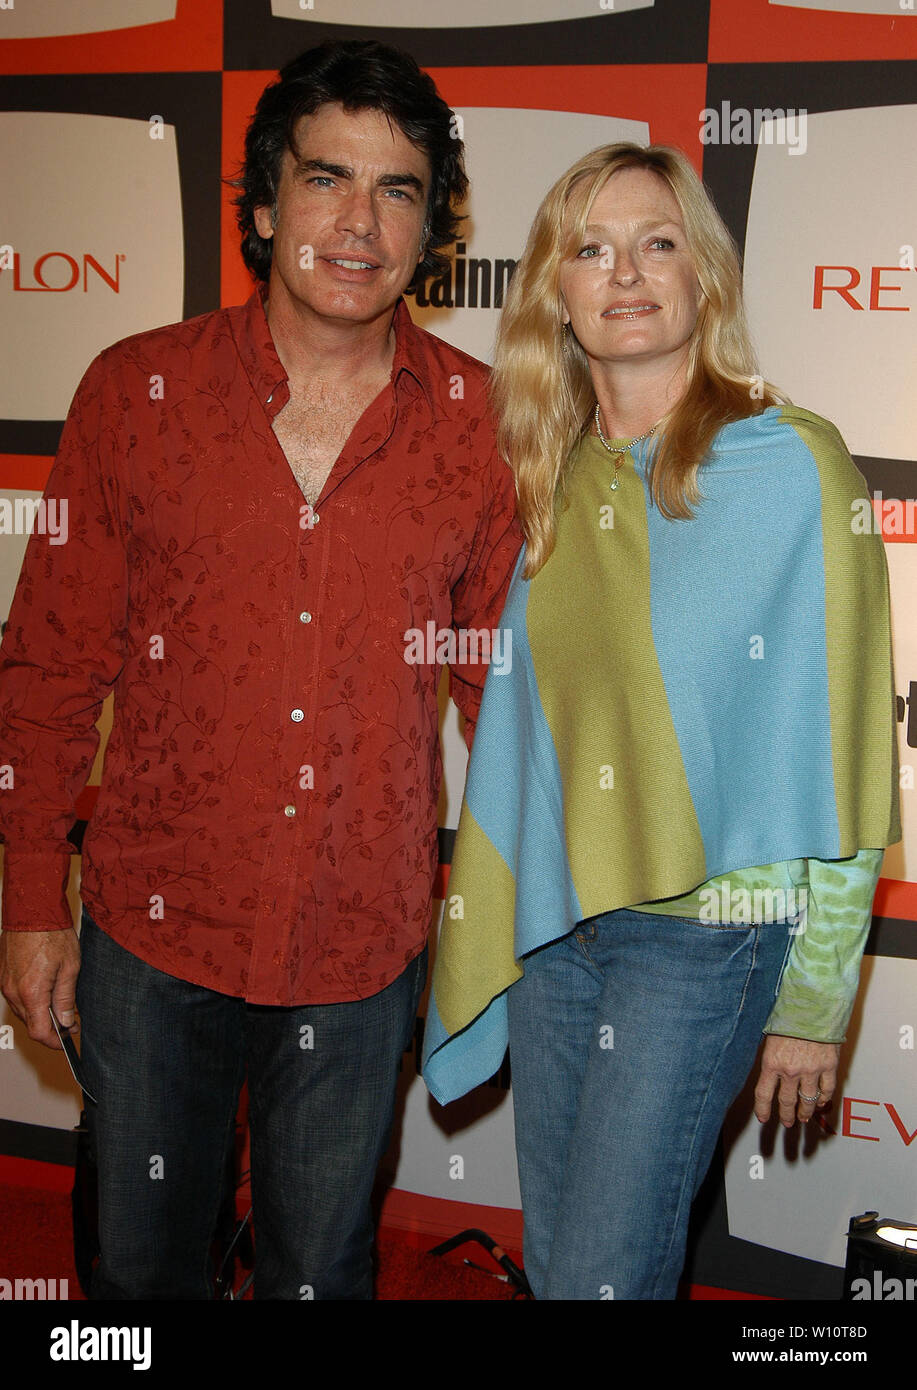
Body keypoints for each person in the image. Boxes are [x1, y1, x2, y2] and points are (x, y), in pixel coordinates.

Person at [0, 39, 520, 1299]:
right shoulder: (134, 392)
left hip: (358, 949)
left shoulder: (483, 423)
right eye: (326, 177)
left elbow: (503, 699)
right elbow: (53, 664)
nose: (357, 221)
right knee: (135, 1276)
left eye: (396, 188)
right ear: (262, 204)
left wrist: (528, 923)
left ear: (431, 225)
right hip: (150, 935)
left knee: (320, 1272)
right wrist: (26, 900)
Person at [422, 142, 900, 1300]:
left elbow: (842, 757)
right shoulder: (548, 473)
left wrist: (813, 1005)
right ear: (554, 291)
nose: (623, 272)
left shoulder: (793, 465)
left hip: (704, 939)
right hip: (555, 936)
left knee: (598, 1272)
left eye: (656, 242)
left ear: (704, 278)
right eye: (589, 247)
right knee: (567, 1262)